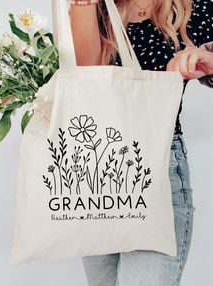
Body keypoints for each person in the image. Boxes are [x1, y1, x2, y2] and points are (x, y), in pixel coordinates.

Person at [68, 0, 213, 285]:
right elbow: (87, 81)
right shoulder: (92, 8)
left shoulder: (195, 7)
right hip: (97, 176)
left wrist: (205, 57)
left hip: (158, 167)